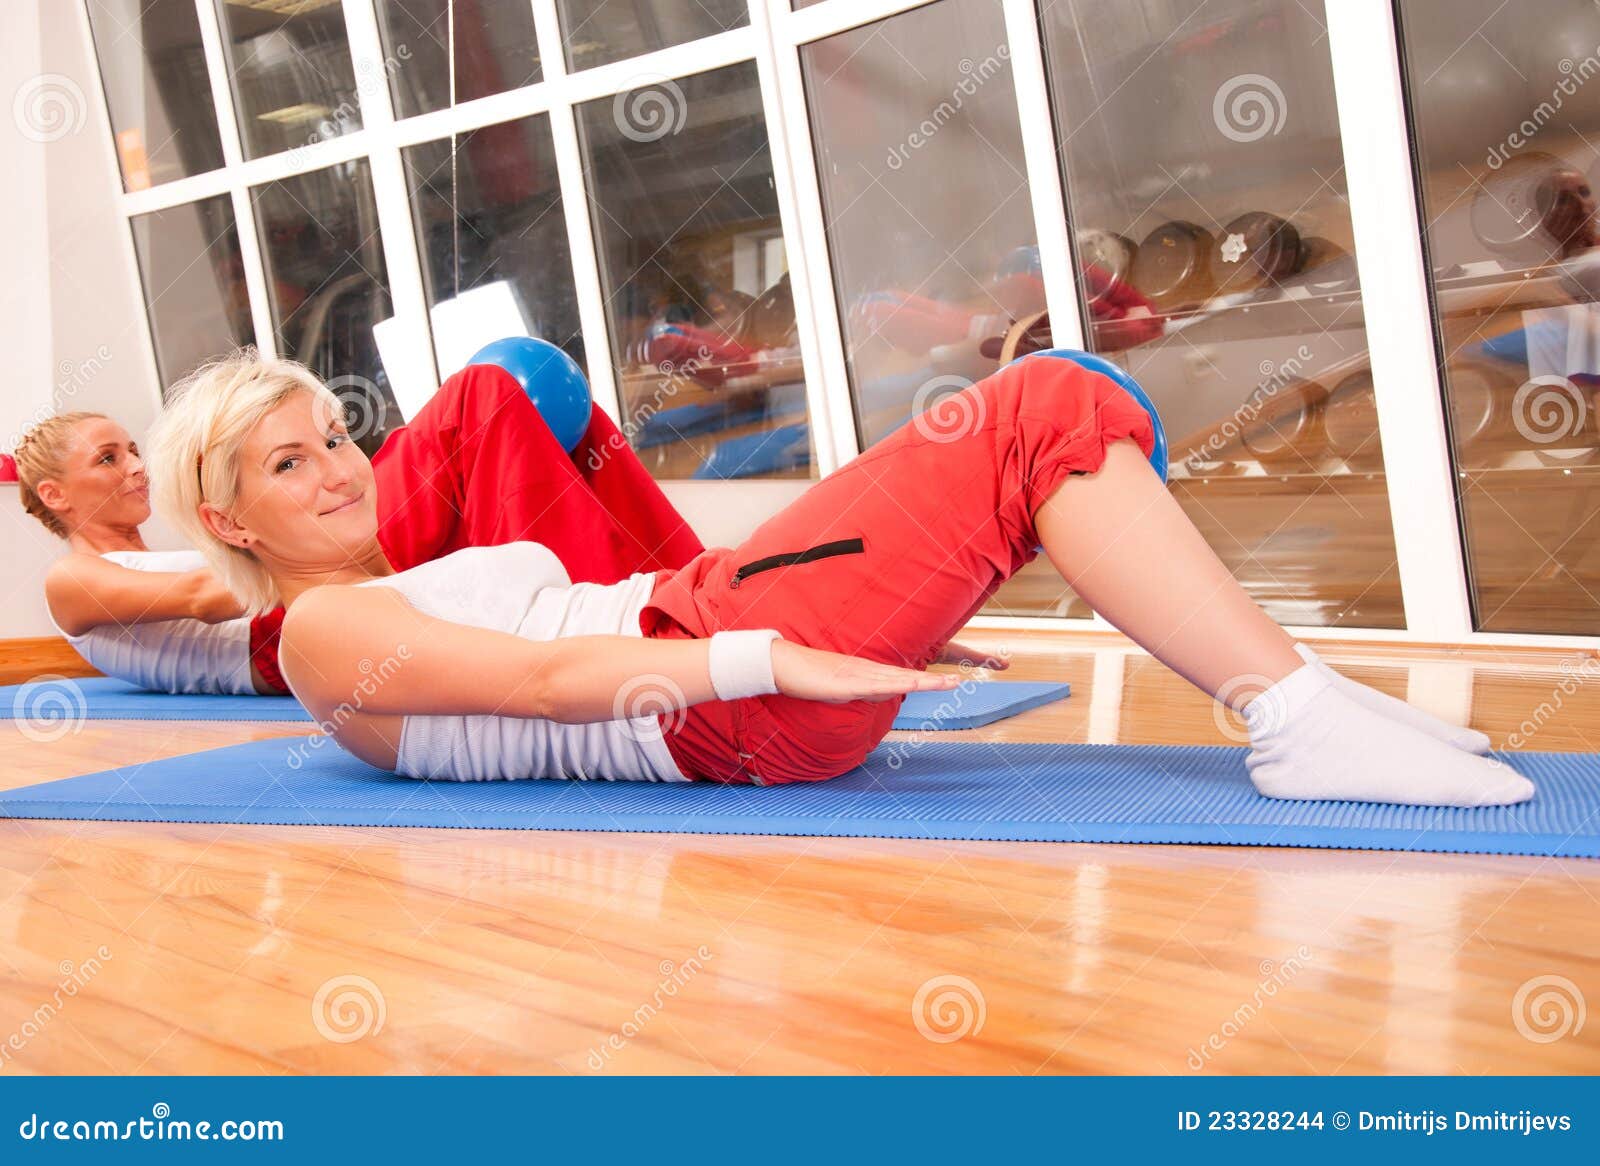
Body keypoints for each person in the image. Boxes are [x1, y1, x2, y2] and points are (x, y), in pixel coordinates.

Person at [147, 348, 1533, 807]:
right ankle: (1292, 717)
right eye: (287, 464)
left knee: (1030, 441)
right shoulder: (322, 629)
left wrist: (877, 629)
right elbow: (559, 679)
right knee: (1037, 409)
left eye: (336, 436)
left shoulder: (394, 580)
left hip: (725, 644)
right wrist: (777, 656)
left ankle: (1302, 690)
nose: (338, 469)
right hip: (722, 681)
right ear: (227, 517)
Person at [14, 362, 708, 694]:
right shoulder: (70, 580)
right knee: (482, 398)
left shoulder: (168, 548)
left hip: (317, 581)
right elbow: (210, 598)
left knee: (557, 425)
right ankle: (630, 630)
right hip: (295, 618)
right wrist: (282, 528)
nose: (135, 468)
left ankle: (691, 585)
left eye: (132, 450)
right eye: (108, 459)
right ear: (54, 494)